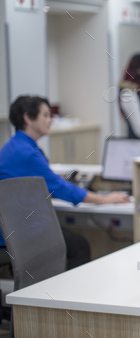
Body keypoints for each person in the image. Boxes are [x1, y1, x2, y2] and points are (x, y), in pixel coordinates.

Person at [0, 96, 130, 269]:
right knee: (79, 246)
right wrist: (105, 199)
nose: (50, 120)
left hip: (10, 231)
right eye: (45, 115)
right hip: (18, 235)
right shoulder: (27, 153)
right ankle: (66, 293)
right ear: (28, 119)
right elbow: (61, 188)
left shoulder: (13, 147)